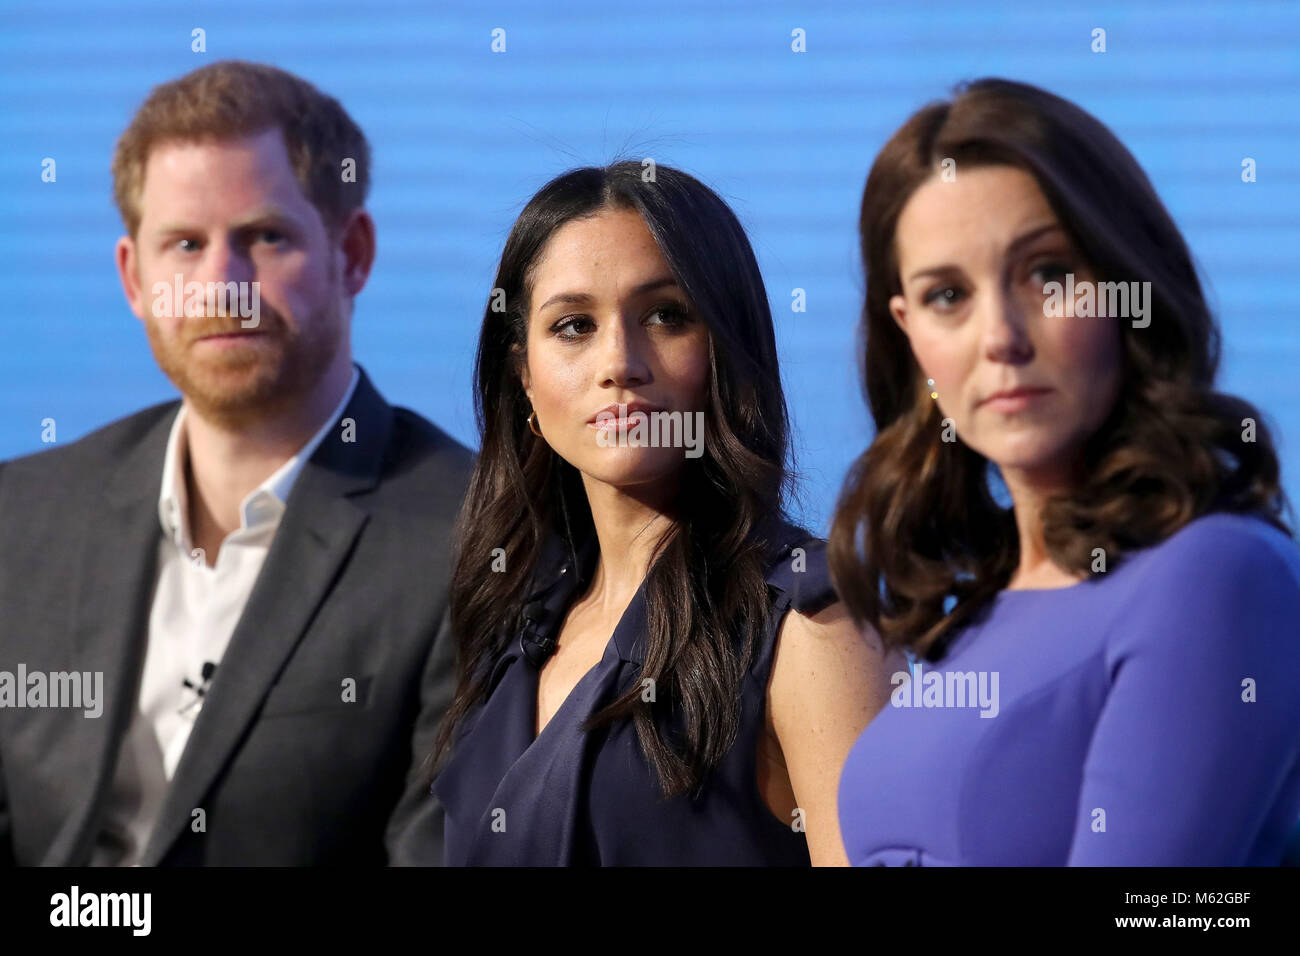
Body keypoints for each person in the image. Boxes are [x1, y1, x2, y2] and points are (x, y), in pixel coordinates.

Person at [0, 60, 473, 865]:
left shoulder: (476, 538)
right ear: (133, 279)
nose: (222, 286)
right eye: (185, 244)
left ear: (351, 253)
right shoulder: (22, 513)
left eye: (265, 237)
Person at [831, 78, 1300, 866]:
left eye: (1047, 274)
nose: (1001, 338)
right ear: (907, 333)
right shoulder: (970, 612)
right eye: (948, 295)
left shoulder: (1216, 574)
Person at [430, 161, 895, 865]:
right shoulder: (512, 624)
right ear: (523, 376)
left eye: (666, 316)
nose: (620, 361)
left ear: (727, 348)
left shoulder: (813, 618)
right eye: (574, 326)